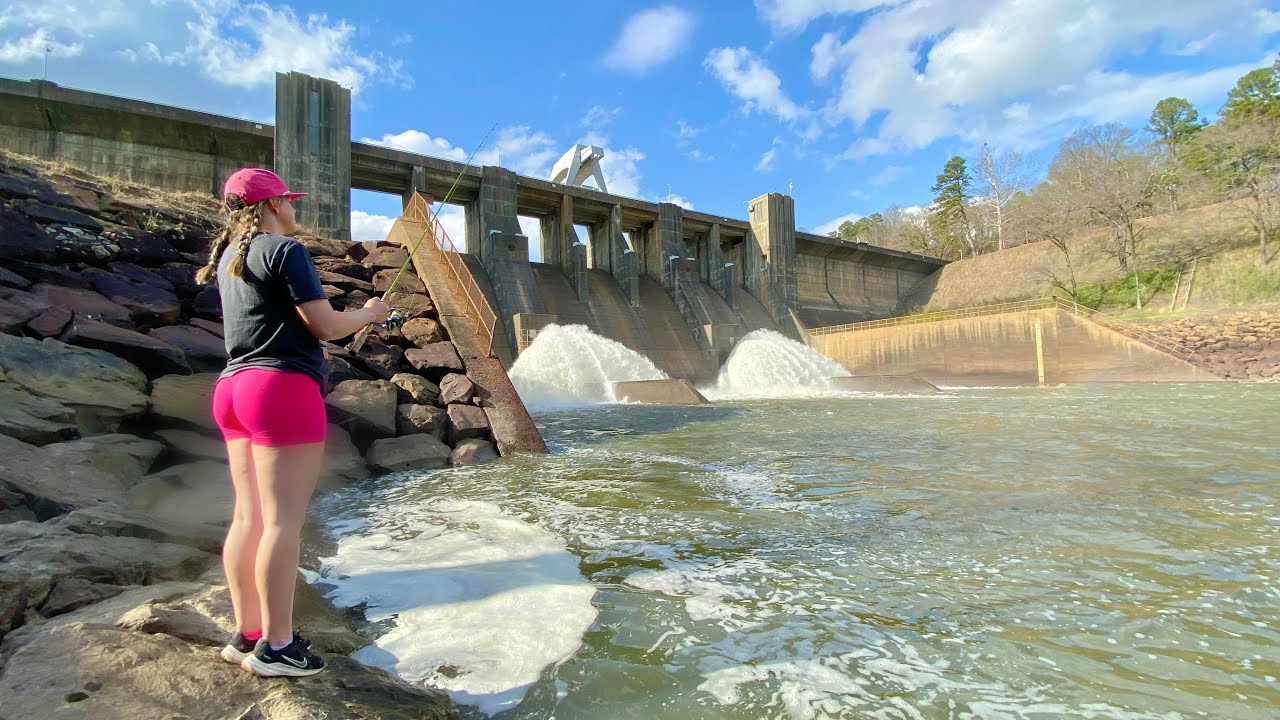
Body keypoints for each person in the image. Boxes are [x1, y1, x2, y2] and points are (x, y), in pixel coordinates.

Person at [195, 168, 390, 677]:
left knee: (248, 518)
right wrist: (370, 313)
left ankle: (248, 635)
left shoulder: (229, 261)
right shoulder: (285, 251)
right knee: (282, 523)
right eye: (289, 199)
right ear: (274, 205)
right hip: (279, 391)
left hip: (233, 390)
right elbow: (323, 324)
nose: (293, 207)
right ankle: (278, 648)